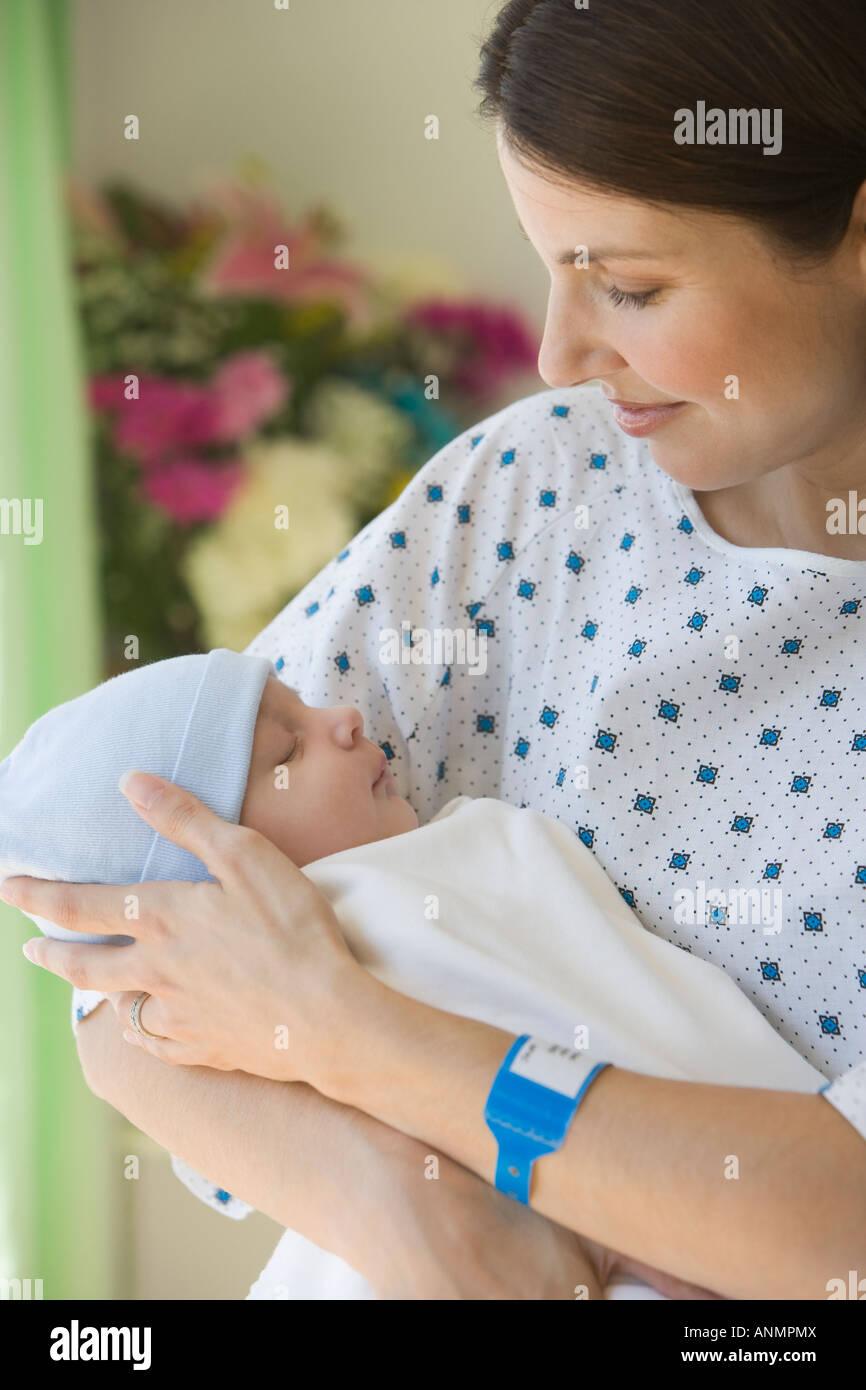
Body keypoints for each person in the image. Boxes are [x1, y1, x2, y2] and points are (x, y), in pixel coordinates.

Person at [7, 0, 865, 1298]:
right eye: (553, 269)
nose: (559, 350)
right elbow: (129, 975)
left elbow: (836, 1234)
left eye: (627, 285)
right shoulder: (529, 493)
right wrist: (412, 1210)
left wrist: (358, 1037)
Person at [0, 648, 827, 1299]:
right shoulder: (281, 952)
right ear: (213, 906)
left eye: (302, 704)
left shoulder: (464, 861)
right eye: (288, 749)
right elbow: (108, 1005)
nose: (346, 716)